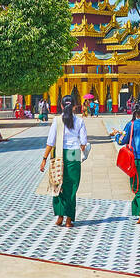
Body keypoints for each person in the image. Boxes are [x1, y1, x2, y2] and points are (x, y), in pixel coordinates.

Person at [39, 95, 88, 227]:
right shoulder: (79, 121)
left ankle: (60, 216)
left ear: (61, 106)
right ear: (74, 106)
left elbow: (51, 141)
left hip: (59, 152)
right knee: (71, 187)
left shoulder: (57, 120)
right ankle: (68, 219)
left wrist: (44, 159)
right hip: (74, 154)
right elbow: (83, 142)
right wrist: (79, 151)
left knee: (57, 183)